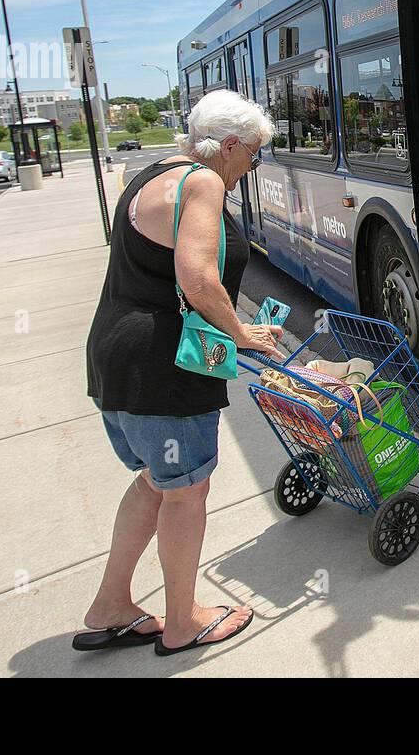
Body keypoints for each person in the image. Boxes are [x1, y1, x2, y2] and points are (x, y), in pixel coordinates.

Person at [77, 89, 282, 656]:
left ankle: (111, 606)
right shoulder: (204, 182)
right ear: (231, 145)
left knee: (156, 482)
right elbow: (196, 278)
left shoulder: (151, 175)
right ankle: (184, 621)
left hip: (116, 361)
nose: (250, 168)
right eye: (253, 155)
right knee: (187, 492)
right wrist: (243, 335)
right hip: (161, 370)